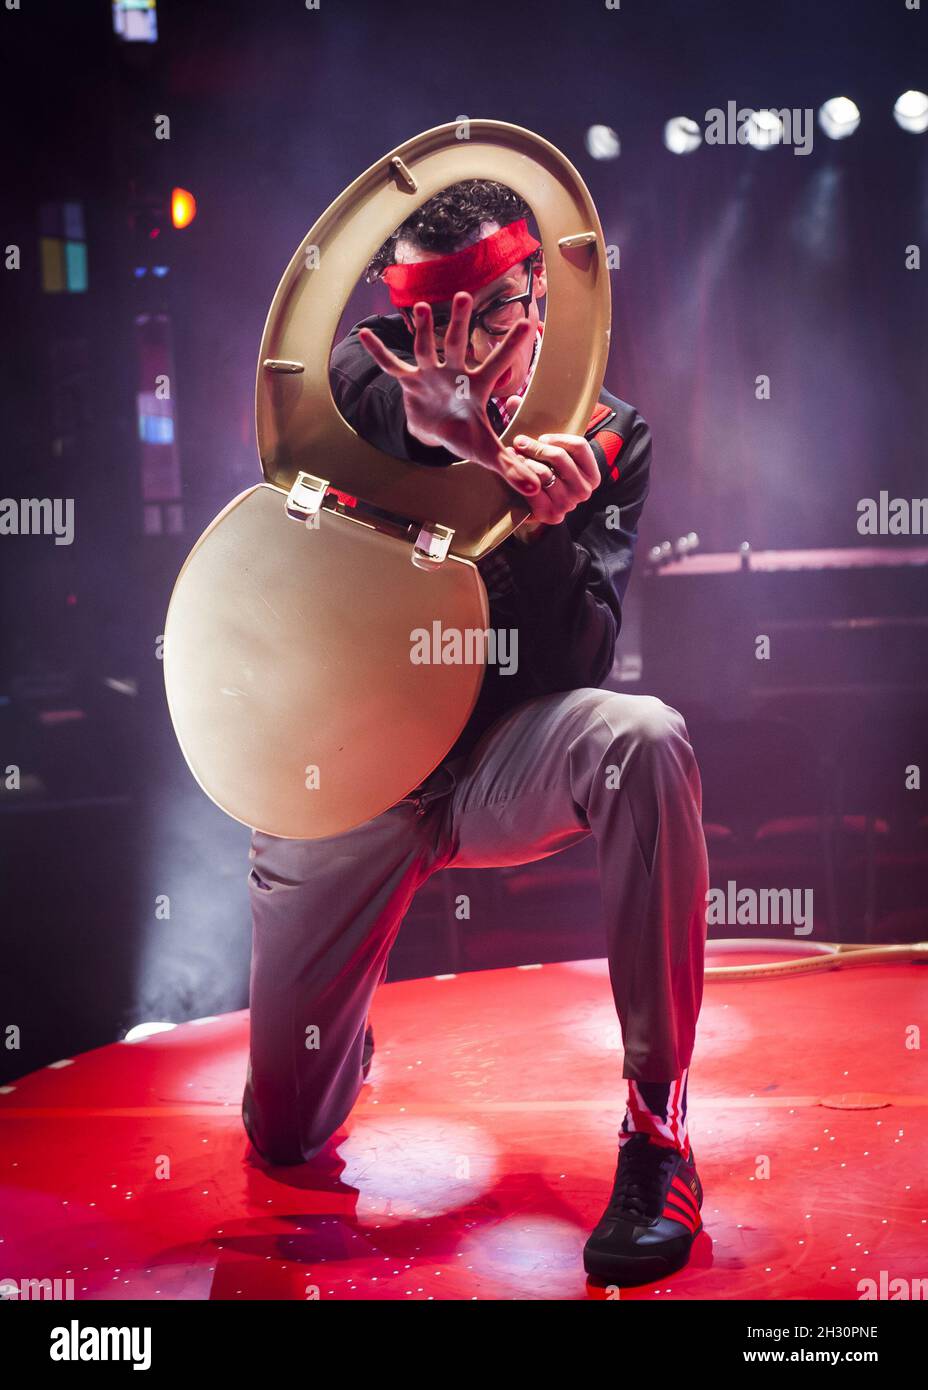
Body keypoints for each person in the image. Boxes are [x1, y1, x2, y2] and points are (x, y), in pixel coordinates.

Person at [242, 180, 709, 1286]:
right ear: (406, 319)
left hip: (501, 760)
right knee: (286, 1136)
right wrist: (445, 441)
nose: (467, 344)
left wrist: (536, 519)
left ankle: (657, 1133)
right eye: (435, 320)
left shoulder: (605, 436)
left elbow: (585, 660)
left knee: (641, 735)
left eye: (496, 309)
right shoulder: (358, 384)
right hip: (356, 775)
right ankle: (334, 1034)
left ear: (537, 295)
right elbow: (346, 408)